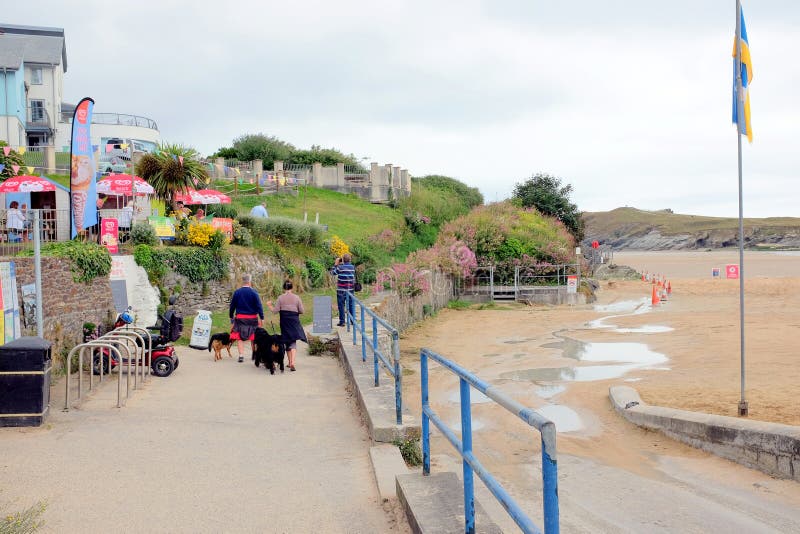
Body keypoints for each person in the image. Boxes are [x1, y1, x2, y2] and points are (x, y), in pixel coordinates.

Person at [266, 280, 307, 371]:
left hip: (284, 321)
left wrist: (269, 305)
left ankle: (289, 363)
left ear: (284, 288)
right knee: (293, 341)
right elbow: (302, 311)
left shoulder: (280, 298)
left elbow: (275, 311)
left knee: (287, 341)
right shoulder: (297, 298)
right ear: (292, 288)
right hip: (294, 321)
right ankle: (292, 363)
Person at [229, 273, 264, 362]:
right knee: (253, 336)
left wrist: (231, 317)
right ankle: (254, 355)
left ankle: (241, 356)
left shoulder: (237, 292)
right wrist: (262, 317)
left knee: (240, 337)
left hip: (240, 318)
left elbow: (232, 306)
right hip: (252, 318)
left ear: (243, 281)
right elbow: (259, 306)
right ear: (250, 281)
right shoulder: (254, 292)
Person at [331, 253, 356, 327]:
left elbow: (332, 273)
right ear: (350, 260)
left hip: (341, 290)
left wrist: (336, 264)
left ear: (343, 260)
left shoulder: (340, 267)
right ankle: (352, 321)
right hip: (350, 290)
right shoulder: (352, 267)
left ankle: (342, 322)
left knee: (341, 306)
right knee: (351, 305)